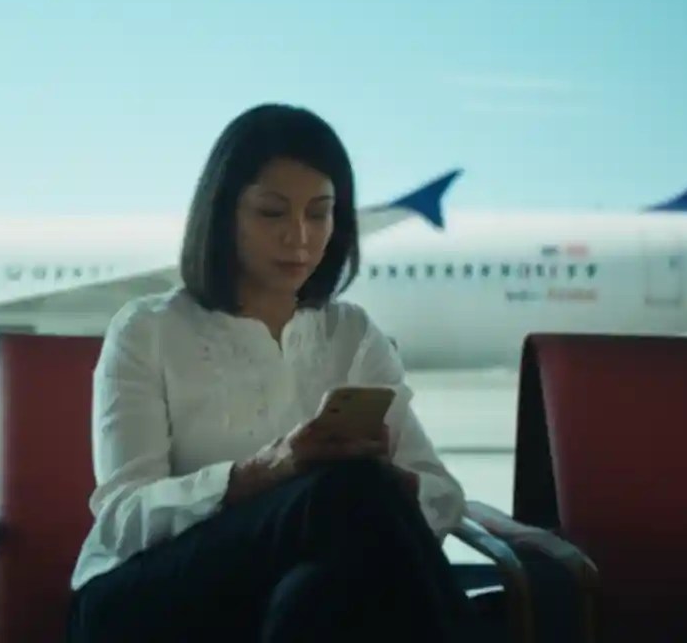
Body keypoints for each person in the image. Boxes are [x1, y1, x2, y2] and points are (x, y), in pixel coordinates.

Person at [65, 103, 477, 642]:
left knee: (317, 592)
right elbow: (123, 519)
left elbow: (442, 497)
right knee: (340, 491)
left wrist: (396, 486)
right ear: (223, 213)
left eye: (320, 213)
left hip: (290, 598)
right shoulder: (147, 330)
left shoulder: (352, 335)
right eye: (273, 213)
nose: (300, 237)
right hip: (142, 600)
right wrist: (264, 473)